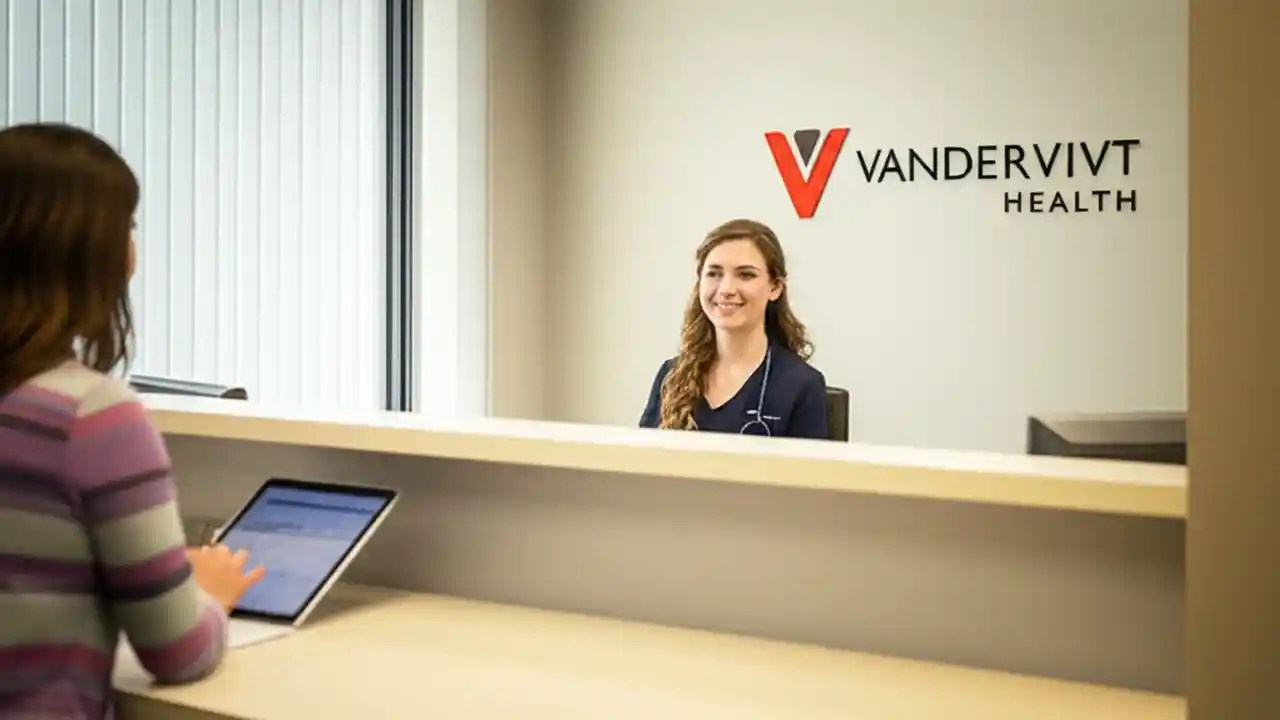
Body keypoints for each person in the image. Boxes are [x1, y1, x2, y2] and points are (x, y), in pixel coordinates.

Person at [0, 123, 266, 719]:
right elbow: (176, 650)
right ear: (90, 255)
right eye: (129, 229)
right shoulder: (89, 417)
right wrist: (210, 595)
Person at [640, 219, 829, 439]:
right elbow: (641, 464)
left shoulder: (801, 385)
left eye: (745, 275)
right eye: (714, 274)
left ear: (774, 288)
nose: (726, 289)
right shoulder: (671, 375)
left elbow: (806, 472)